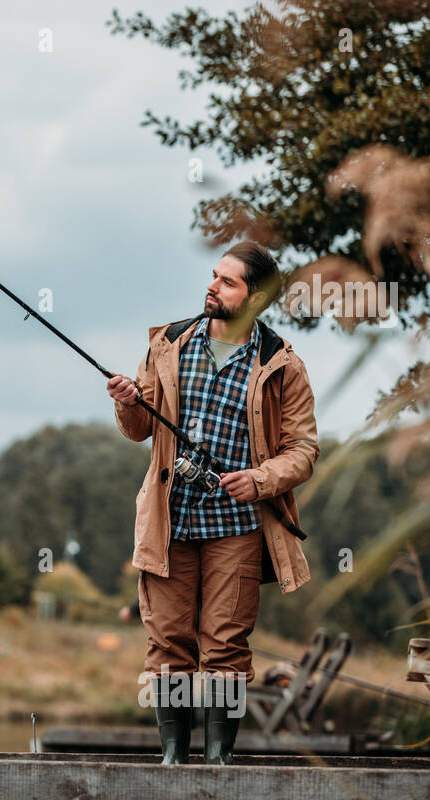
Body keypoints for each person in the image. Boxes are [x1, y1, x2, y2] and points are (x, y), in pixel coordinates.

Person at [106, 241, 319, 765]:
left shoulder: (282, 364)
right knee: (168, 646)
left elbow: (305, 450)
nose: (213, 286)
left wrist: (262, 479)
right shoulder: (167, 345)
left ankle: (219, 764)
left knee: (224, 646)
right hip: (169, 523)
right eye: (214, 276)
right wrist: (128, 401)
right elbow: (138, 431)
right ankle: (174, 759)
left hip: (238, 526)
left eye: (228, 282)